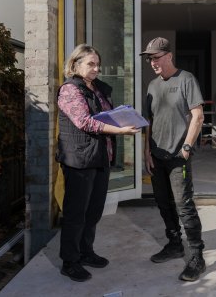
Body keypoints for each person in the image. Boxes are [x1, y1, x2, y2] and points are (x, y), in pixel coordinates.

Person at [56, 44, 140, 282]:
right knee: (76, 213)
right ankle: (69, 262)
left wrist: (124, 116)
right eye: (90, 64)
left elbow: (105, 116)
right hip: (79, 159)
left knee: (93, 211)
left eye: (97, 64)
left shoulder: (97, 89)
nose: (96, 68)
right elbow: (85, 122)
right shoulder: (71, 90)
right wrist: (120, 130)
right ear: (75, 65)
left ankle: (85, 252)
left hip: (100, 156)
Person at [141, 37, 206, 282]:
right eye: (149, 58)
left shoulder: (186, 79)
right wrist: (147, 151)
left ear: (168, 56)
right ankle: (174, 244)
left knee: (184, 205)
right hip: (157, 156)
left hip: (179, 155)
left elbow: (197, 116)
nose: (152, 62)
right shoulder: (152, 86)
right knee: (163, 202)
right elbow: (149, 121)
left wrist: (187, 147)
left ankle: (197, 256)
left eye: (156, 57)